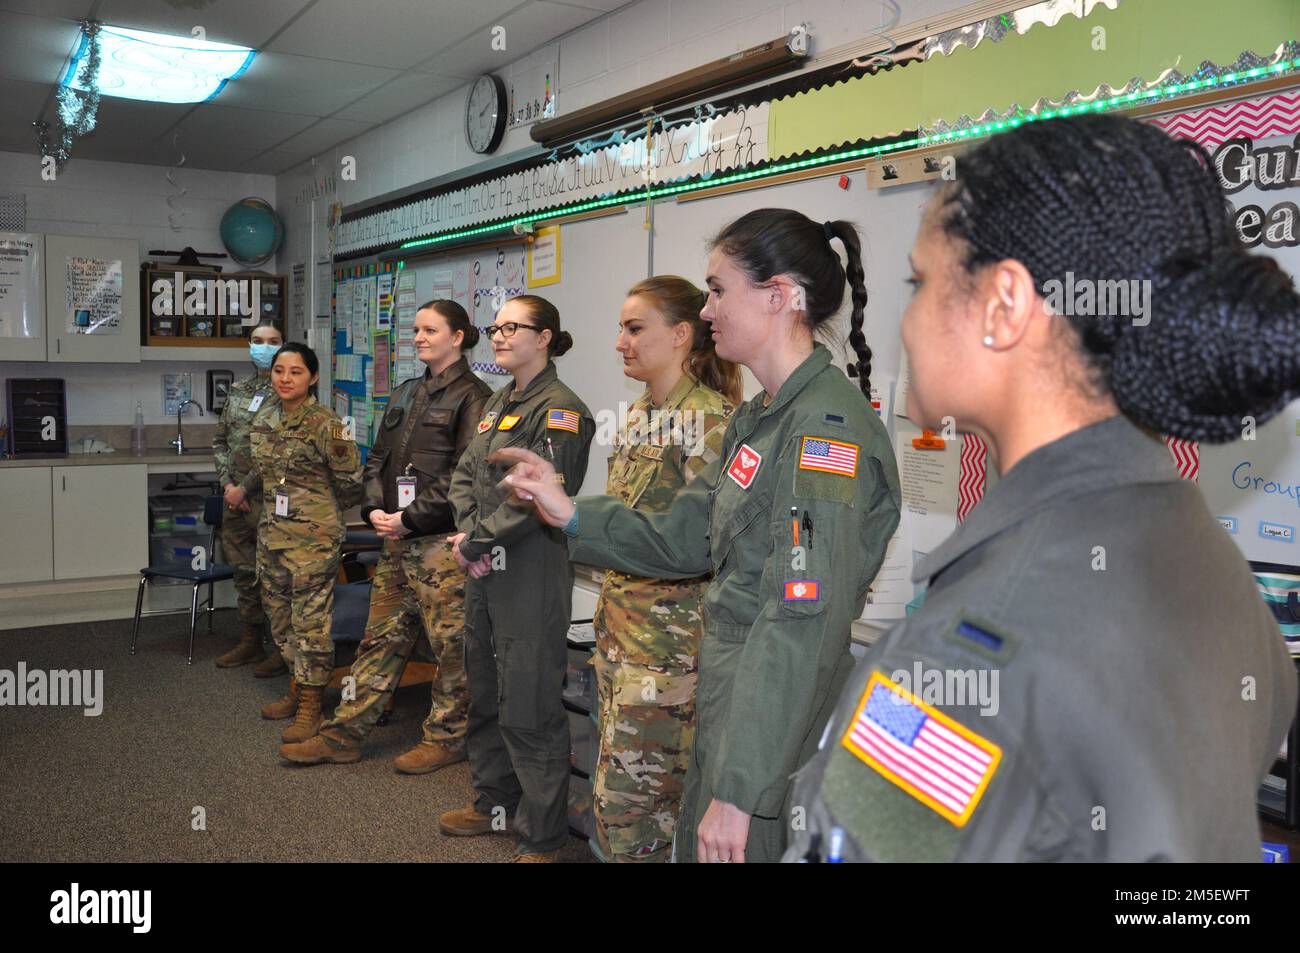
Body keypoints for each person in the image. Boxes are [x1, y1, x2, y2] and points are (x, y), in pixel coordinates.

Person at [783, 114, 1300, 862]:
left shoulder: (964, 659)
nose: (909, 318)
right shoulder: (1210, 562)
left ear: (1004, 307)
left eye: (920, 281)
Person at [497, 209, 902, 863]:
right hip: (728, 703)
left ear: (777, 296)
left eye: (718, 289)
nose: (707, 310)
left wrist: (740, 792)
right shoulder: (760, 417)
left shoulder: (823, 432)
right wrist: (567, 511)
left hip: (768, 732)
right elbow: (687, 537)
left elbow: (800, 620)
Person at [280, 301, 491, 771]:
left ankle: (446, 738)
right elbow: (376, 458)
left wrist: (412, 517)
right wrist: (375, 507)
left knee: (451, 650)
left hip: (440, 543)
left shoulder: (475, 397)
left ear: (457, 337)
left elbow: (465, 474)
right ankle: (344, 734)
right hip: (396, 540)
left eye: (429, 330)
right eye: (415, 329)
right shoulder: (404, 392)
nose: (418, 337)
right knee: (379, 639)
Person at [438, 295, 595, 863]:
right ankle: (492, 802)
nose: (499, 336)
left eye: (512, 327)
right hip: (481, 567)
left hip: (528, 571)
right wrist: (466, 539)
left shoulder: (562, 410)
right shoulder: (499, 402)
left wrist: (477, 542)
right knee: (483, 689)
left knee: (529, 706)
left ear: (546, 337)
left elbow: (538, 499)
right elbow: (464, 475)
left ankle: (542, 836)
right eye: (496, 327)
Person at [590, 277, 740, 862]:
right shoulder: (644, 411)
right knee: (624, 810)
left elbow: (712, 546)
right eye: (621, 329)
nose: (620, 342)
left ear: (681, 335)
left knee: (634, 815)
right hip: (620, 640)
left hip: (666, 657)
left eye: (634, 328)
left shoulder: (709, 422)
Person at [249, 343, 364, 746]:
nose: (284, 378)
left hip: (313, 540)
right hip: (272, 536)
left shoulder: (330, 425)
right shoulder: (264, 419)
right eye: (279, 371)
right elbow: (262, 475)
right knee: (279, 618)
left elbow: (351, 484)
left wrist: (317, 511)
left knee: (311, 622)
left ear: (313, 377)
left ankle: (312, 704)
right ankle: (298, 685)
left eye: (295, 372)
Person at [212, 319, 282, 673]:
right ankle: (251, 640)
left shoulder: (287, 389)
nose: (264, 346)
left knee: (273, 575)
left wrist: (245, 488)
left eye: (272, 341)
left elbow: (277, 451)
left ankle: (282, 649)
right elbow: (220, 441)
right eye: (257, 340)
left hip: (268, 497)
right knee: (243, 571)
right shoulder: (239, 390)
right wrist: (228, 486)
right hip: (234, 498)